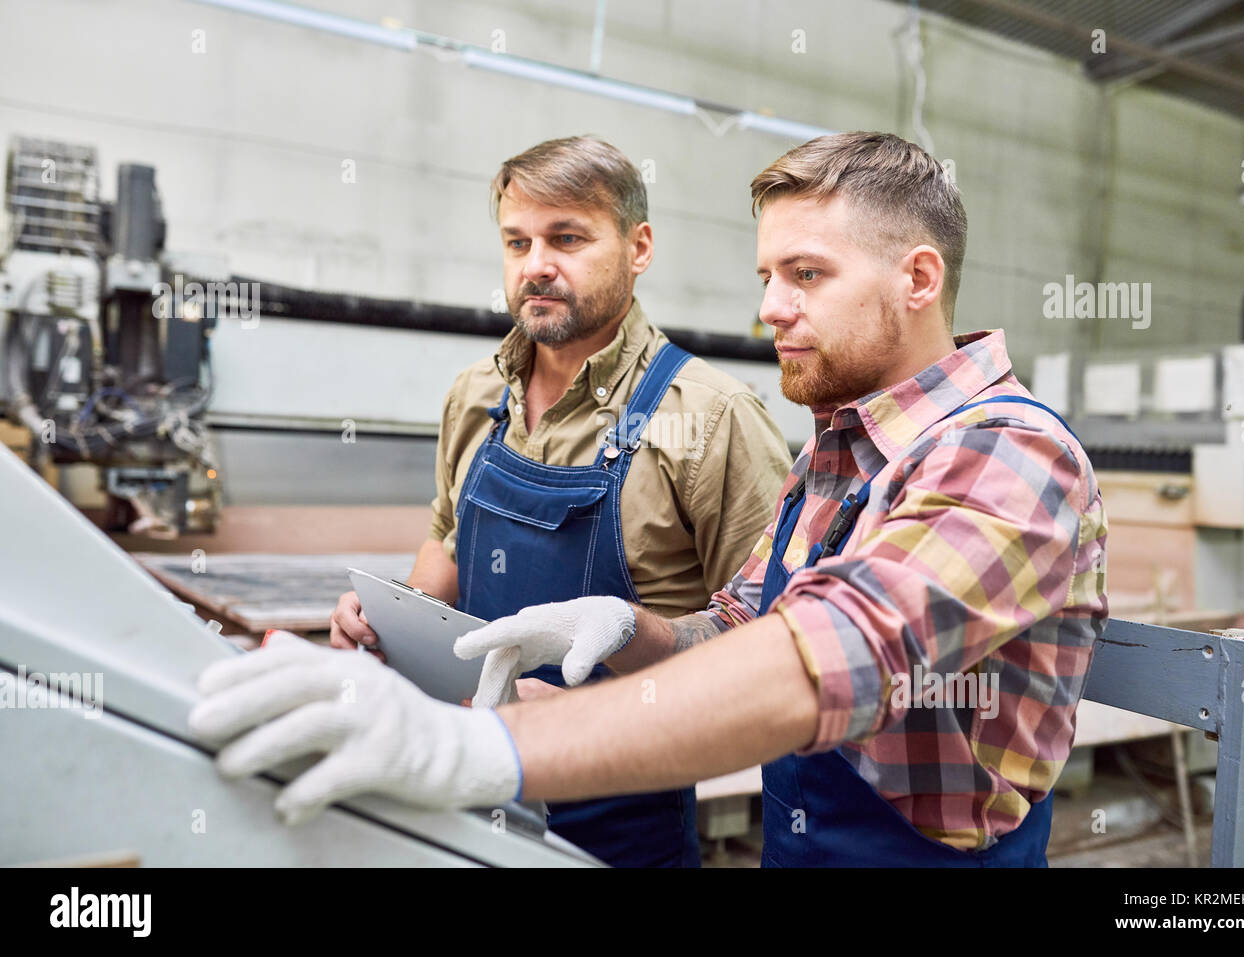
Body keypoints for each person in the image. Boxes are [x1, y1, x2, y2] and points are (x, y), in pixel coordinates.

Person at [191, 131, 1108, 867]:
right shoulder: (839, 447)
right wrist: (629, 626)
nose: (773, 310)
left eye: (807, 274)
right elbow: (745, 627)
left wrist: (481, 751)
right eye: (767, 279)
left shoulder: (1009, 452)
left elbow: (833, 656)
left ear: (917, 278)